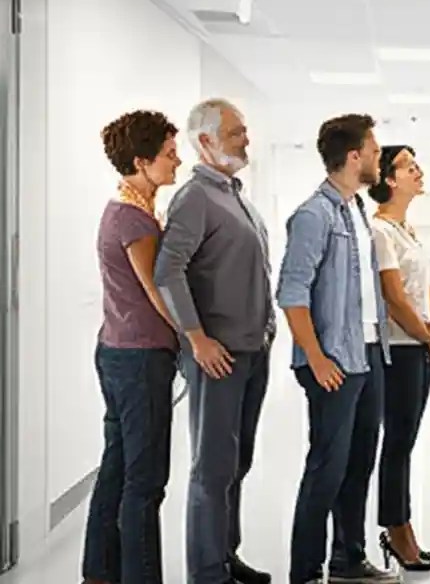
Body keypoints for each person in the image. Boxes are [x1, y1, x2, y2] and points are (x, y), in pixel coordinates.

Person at [154, 99, 274, 584]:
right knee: (213, 470)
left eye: (244, 131)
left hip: (251, 350)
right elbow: (168, 269)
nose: (245, 139)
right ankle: (206, 573)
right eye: (236, 132)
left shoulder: (234, 193)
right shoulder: (196, 197)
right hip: (218, 356)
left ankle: (226, 554)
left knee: (237, 461)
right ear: (205, 141)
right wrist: (197, 339)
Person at [278, 115, 397, 584]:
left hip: (368, 354)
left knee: (359, 464)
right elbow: (292, 293)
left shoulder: (357, 209)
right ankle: (305, 572)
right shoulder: (315, 214)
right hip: (333, 362)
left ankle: (348, 560)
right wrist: (317, 357)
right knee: (326, 469)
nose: (378, 157)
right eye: (374, 149)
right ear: (354, 156)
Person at [82, 111, 182, 584]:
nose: (177, 160)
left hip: (117, 351)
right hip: (139, 359)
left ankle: (99, 573)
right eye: (168, 154)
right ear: (142, 162)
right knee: (145, 482)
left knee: (117, 469)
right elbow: (158, 292)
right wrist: (195, 339)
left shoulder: (128, 211)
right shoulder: (134, 220)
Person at [369, 145, 430, 573]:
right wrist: (425, 337)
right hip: (400, 349)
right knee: (397, 442)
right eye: (407, 166)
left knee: (407, 439)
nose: (418, 170)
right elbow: (394, 297)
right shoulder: (379, 231)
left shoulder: (407, 230)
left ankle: (403, 525)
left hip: (419, 346)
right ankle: (397, 530)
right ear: (388, 179)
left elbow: (427, 287)